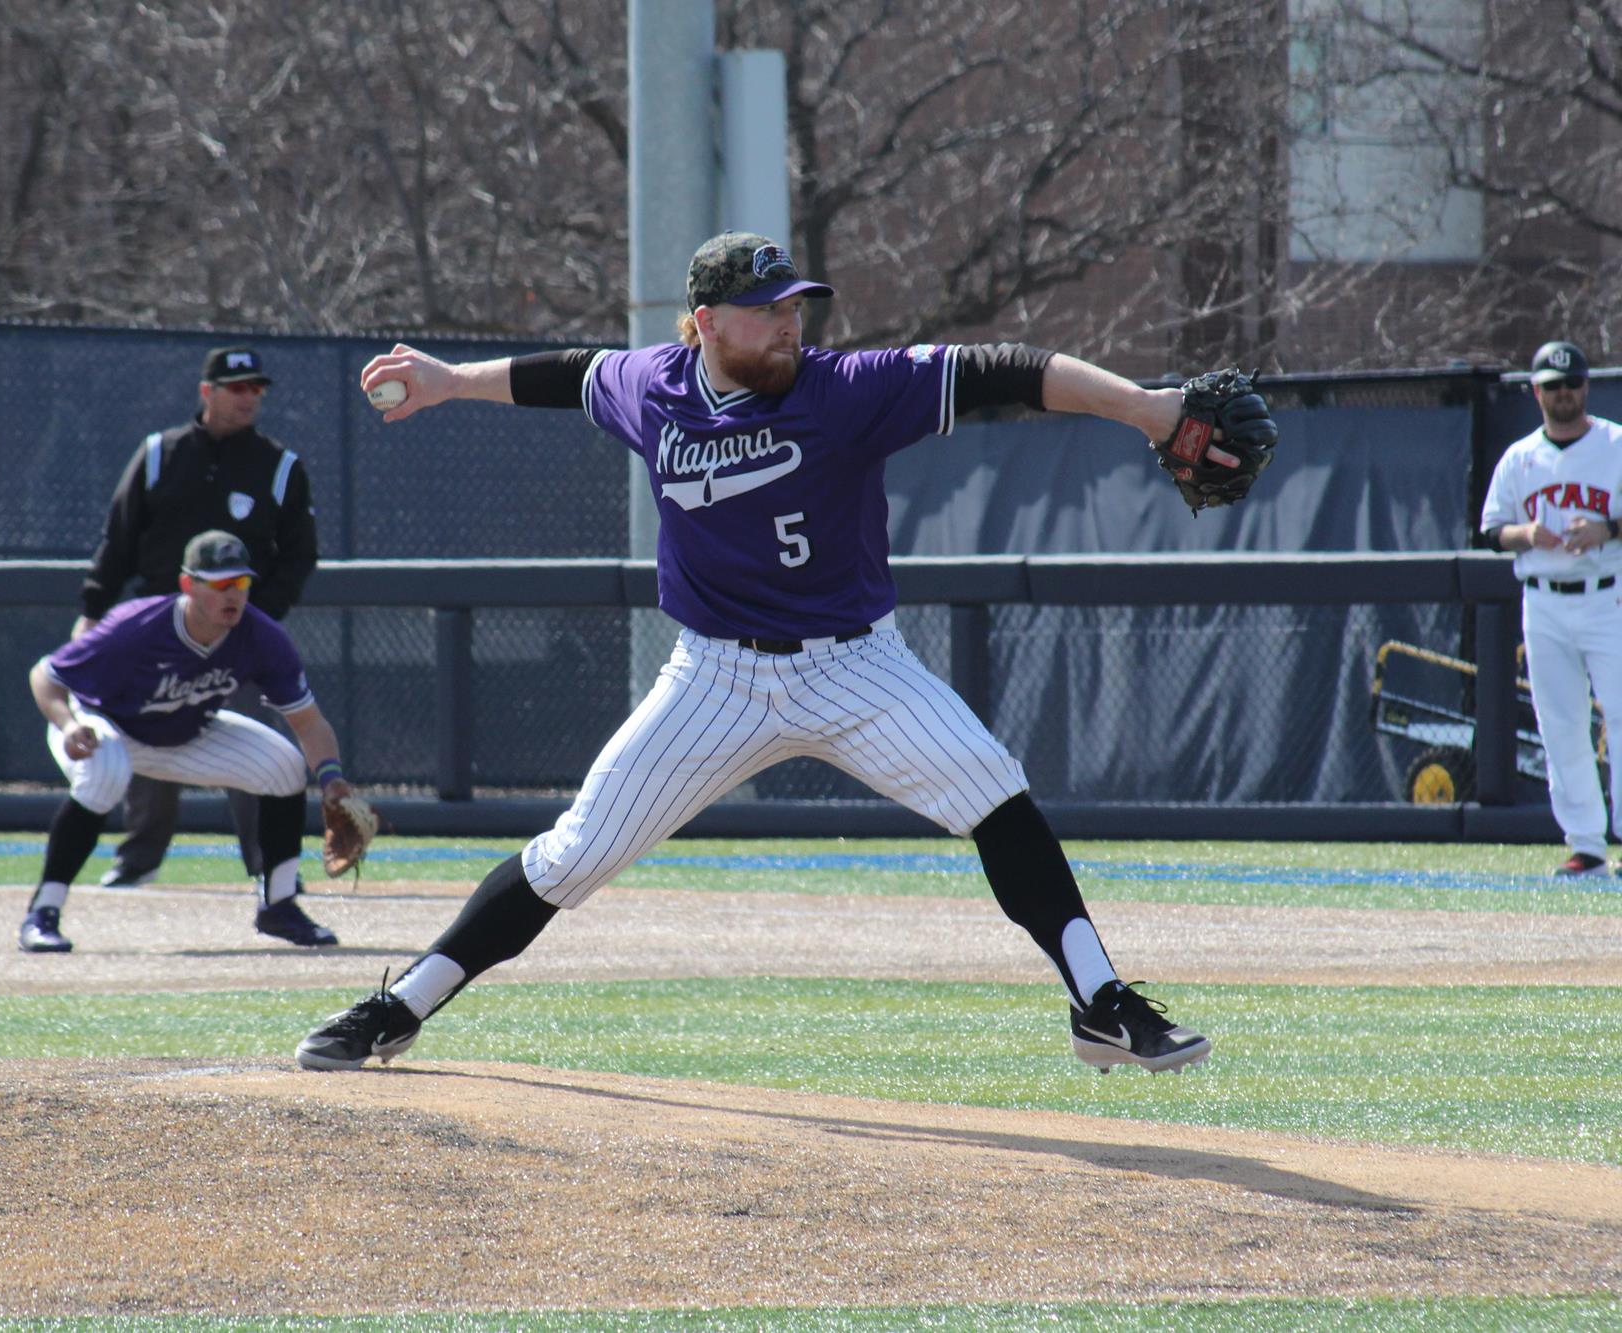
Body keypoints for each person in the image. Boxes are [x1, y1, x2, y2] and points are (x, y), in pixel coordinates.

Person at [296, 231, 1223, 1074]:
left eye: (793, 305)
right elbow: (569, 372)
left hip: (855, 666)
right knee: (571, 858)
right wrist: (453, 381)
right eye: (764, 309)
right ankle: (401, 1005)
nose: (788, 324)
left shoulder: (845, 390)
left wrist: (1145, 408)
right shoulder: (653, 385)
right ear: (704, 324)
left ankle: (1100, 1003)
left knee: (994, 788)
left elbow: (1008, 370)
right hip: (714, 677)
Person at [19, 530, 346, 952]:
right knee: (106, 773)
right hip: (102, 725)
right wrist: (66, 725)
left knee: (284, 766)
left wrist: (333, 778)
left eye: (241, 583)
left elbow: (309, 722)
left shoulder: (260, 636)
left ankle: (278, 907)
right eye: (221, 584)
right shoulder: (137, 626)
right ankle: (42, 913)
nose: (234, 595)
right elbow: (46, 675)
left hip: (183, 731)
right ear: (189, 585)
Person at [78, 345, 321, 890]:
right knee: (145, 736)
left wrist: (258, 618)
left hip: (233, 632)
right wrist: (95, 610)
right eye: (237, 387)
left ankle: (270, 866)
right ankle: (139, 859)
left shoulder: (279, 466)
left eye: (257, 388)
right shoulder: (160, 454)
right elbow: (117, 540)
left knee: (254, 748)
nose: (249, 398)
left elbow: (299, 554)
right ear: (206, 391)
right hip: (156, 631)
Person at [1480, 339, 1622, 877]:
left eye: (1572, 383)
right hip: (1544, 601)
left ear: (1586, 386)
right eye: (1552, 385)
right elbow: (1494, 530)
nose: (1563, 393)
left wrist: (1607, 528)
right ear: (1535, 391)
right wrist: (1525, 533)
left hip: (1609, 593)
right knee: (1560, 722)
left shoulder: (1615, 443)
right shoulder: (1520, 458)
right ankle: (1586, 844)